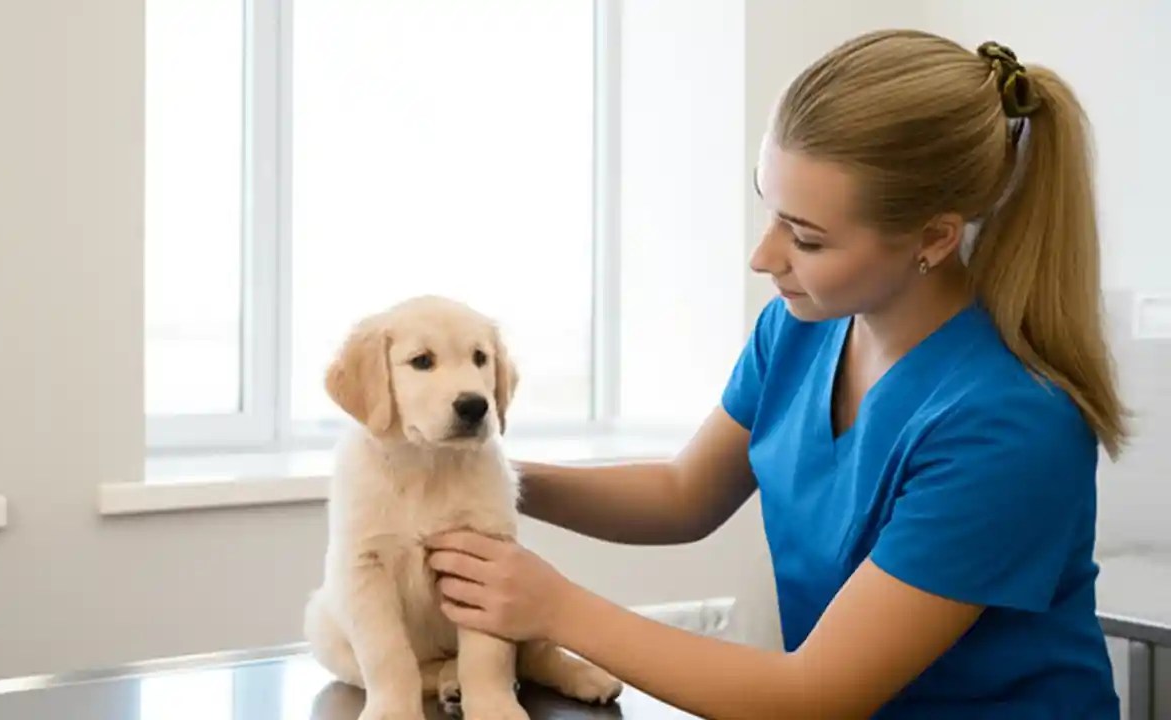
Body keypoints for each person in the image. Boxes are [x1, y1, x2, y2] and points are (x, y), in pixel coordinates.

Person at [425, 28, 1126, 719]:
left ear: (934, 239)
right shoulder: (802, 328)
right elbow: (682, 495)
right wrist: (486, 476)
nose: (764, 256)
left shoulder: (1008, 424)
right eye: (770, 210)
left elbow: (816, 694)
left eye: (807, 237)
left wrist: (554, 607)